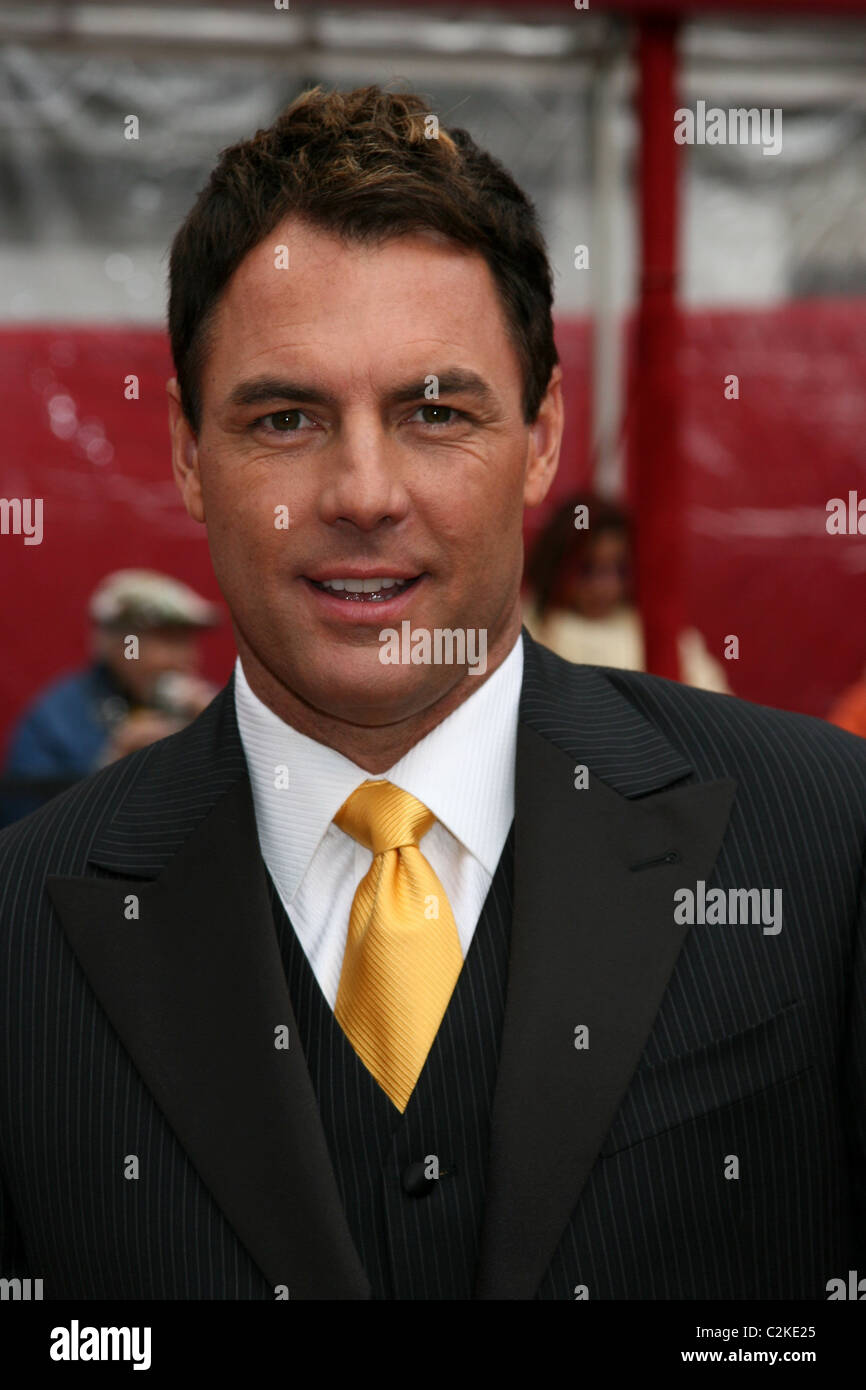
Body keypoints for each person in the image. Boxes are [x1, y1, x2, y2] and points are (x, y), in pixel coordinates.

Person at [0, 84, 864, 1303]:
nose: (361, 491)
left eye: (434, 410)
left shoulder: (826, 843)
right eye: (287, 416)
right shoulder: (21, 936)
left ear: (544, 437)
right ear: (191, 459)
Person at [0, 570, 220, 823]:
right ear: (118, 645)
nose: (185, 660)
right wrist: (112, 766)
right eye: (167, 640)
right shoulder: (56, 721)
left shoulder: (203, 707)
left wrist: (222, 730)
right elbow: (23, 826)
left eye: (187, 641)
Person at [523, 493, 730, 692]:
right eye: (588, 570)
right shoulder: (525, 628)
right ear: (555, 566)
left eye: (620, 570)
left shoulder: (657, 631)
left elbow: (712, 703)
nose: (605, 586)